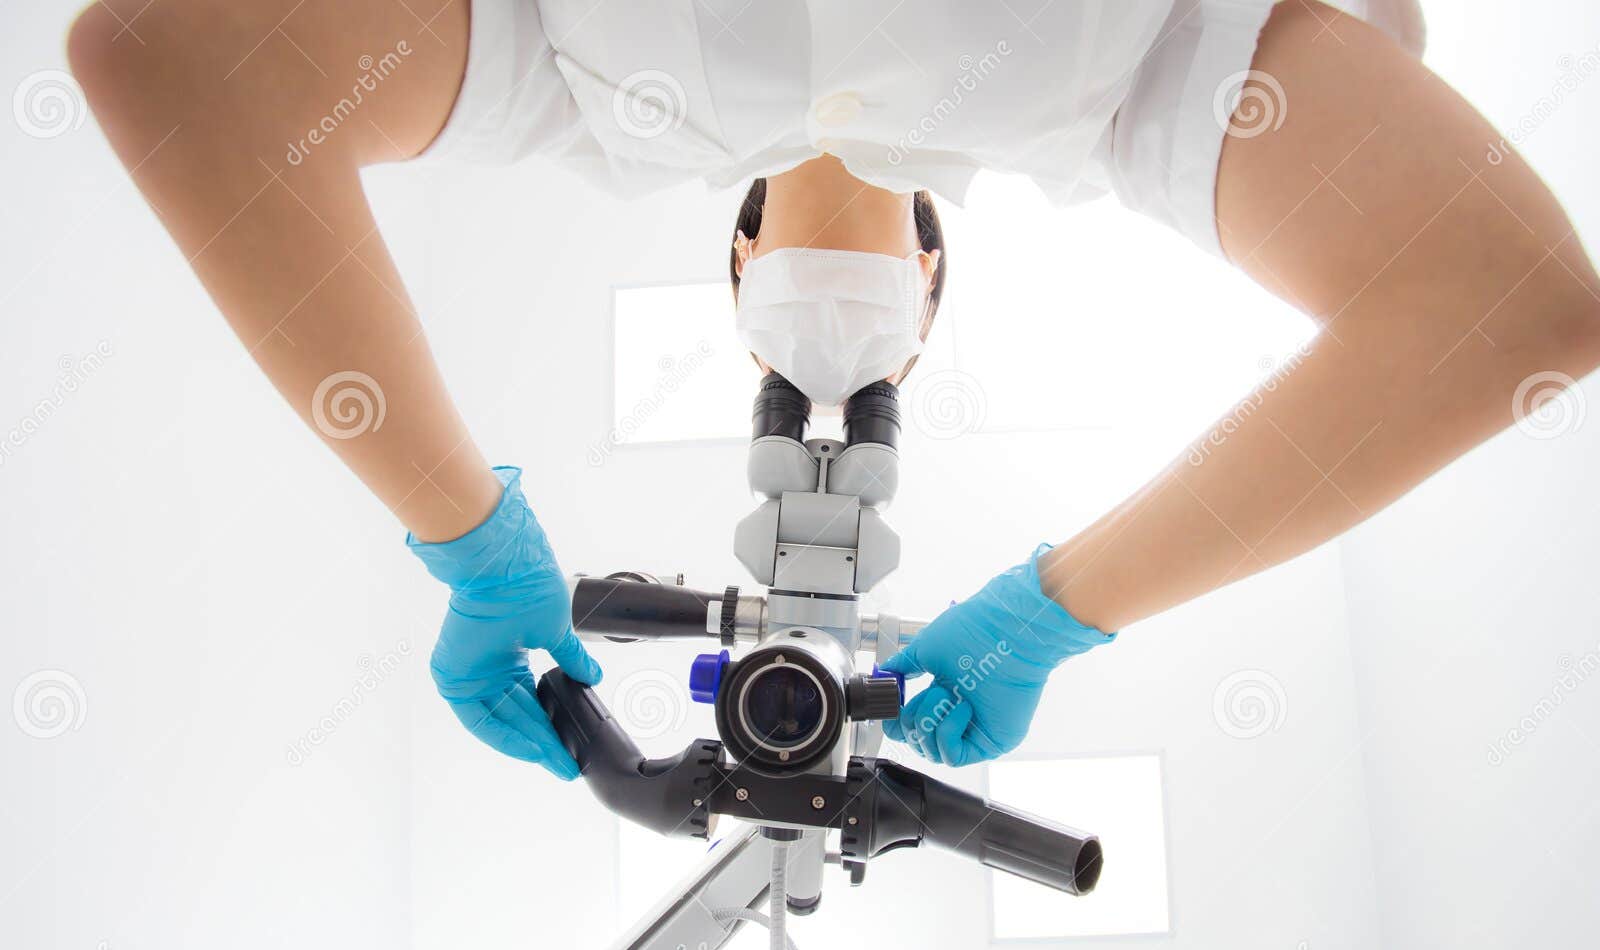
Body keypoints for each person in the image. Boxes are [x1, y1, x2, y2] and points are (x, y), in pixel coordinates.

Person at [68, 1, 1600, 773]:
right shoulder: (1137, 86)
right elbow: (1506, 314)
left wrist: (469, 539)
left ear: (732, 264)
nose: (826, 367)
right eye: (878, 373)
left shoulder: (566, 75)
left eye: (771, 348)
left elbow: (176, 61)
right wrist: (1064, 604)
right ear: (938, 279)